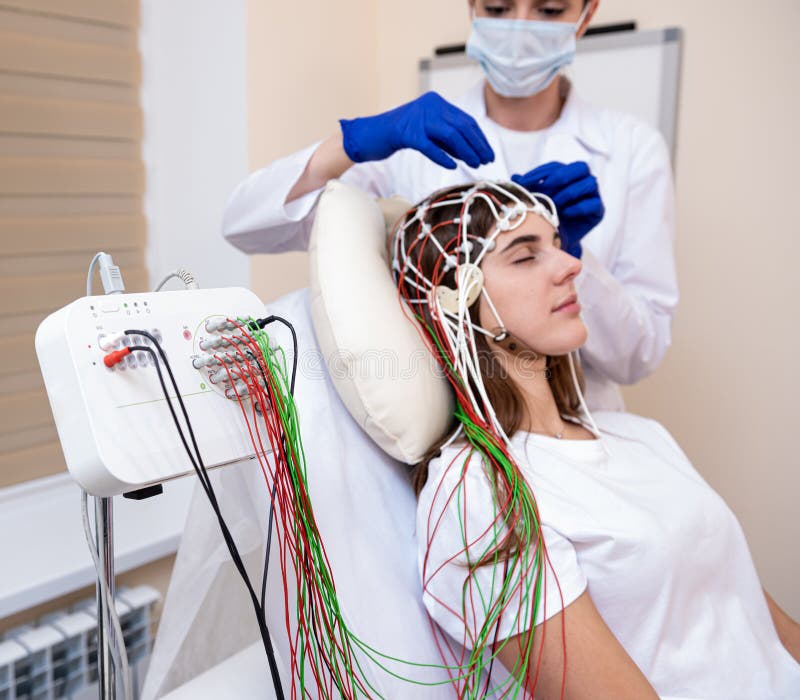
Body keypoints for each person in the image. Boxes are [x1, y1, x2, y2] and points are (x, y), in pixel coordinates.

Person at [391, 180, 800, 699]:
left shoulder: (639, 436)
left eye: (556, 245)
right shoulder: (480, 493)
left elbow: (763, 628)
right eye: (524, 257)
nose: (570, 265)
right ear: (453, 299)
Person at [222, 0, 678, 412]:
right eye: (498, 8)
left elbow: (640, 355)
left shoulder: (632, 148)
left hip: (580, 418)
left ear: (586, 15)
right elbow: (246, 225)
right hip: (451, 423)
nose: (520, 28)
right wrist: (354, 141)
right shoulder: (416, 144)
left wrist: (576, 258)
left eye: (548, 10)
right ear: (472, 7)